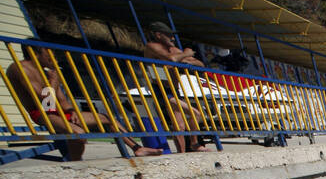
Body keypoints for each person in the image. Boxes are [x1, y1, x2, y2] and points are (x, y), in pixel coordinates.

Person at [6, 45, 163, 159]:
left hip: (57, 110)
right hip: (41, 112)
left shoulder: (47, 72)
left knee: (107, 118)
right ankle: (74, 164)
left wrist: (71, 111)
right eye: (49, 56)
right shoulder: (20, 68)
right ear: (35, 53)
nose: (52, 59)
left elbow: (62, 100)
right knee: (78, 134)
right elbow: (44, 100)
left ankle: (137, 148)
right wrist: (54, 82)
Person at [142, 23, 208, 152]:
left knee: (180, 125)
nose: (172, 38)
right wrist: (185, 55)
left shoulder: (174, 50)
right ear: (158, 35)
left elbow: (200, 64)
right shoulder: (152, 47)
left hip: (174, 90)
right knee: (195, 113)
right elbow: (171, 59)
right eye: (169, 35)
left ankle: (181, 152)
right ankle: (194, 143)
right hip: (161, 89)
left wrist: (184, 59)